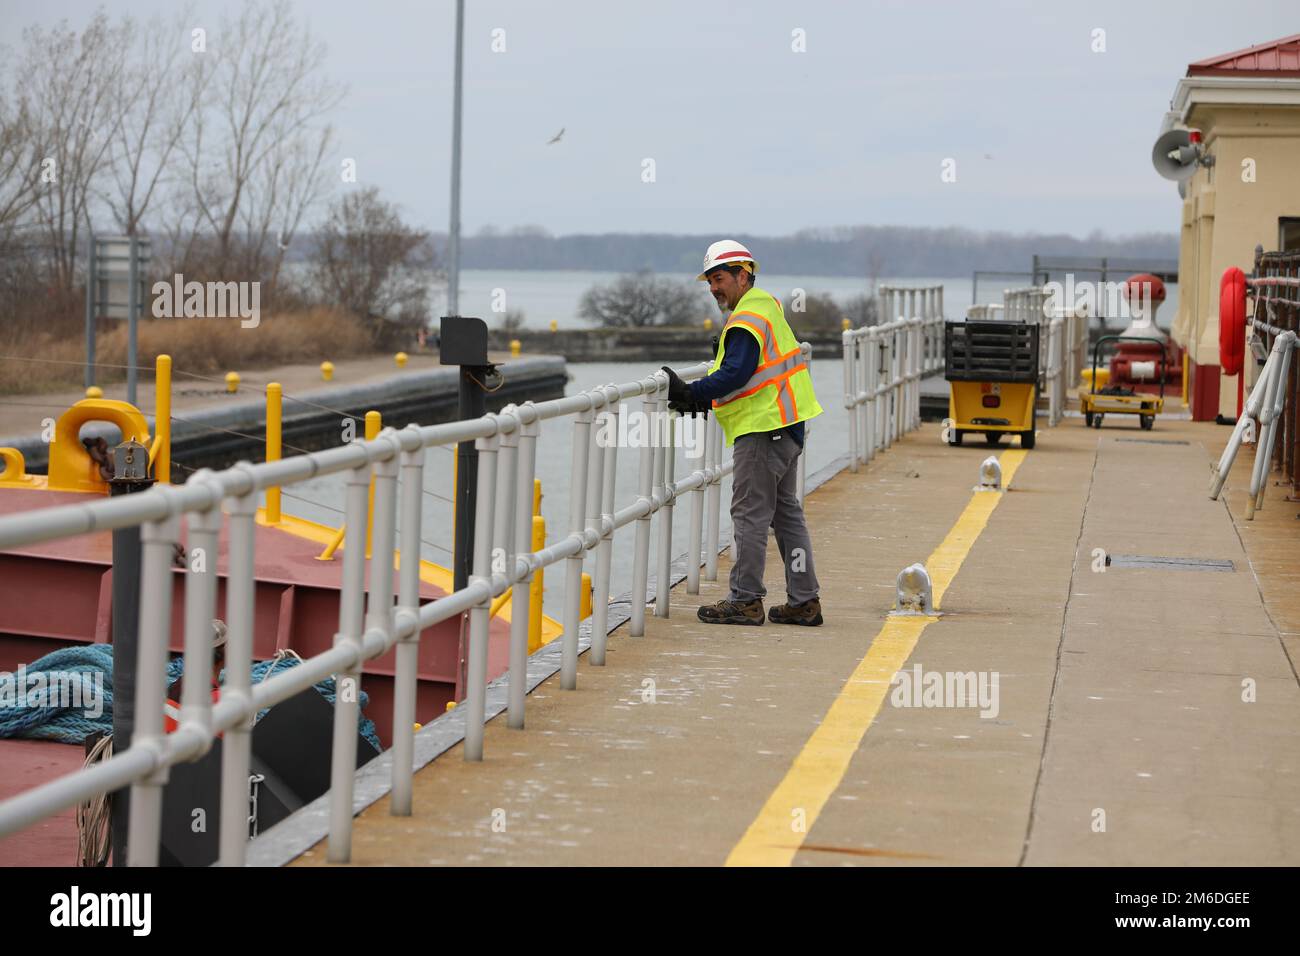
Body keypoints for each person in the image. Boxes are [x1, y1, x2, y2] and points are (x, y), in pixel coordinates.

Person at [662, 239, 824, 626]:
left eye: (719, 278)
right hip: (788, 426)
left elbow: (736, 372)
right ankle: (804, 600)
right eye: (709, 282)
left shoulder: (745, 321)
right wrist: (704, 399)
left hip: (763, 429)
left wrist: (692, 393)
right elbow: (750, 373)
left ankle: (745, 600)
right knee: (785, 514)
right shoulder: (765, 306)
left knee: (749, 514)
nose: (713, 288)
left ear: (742, 275)